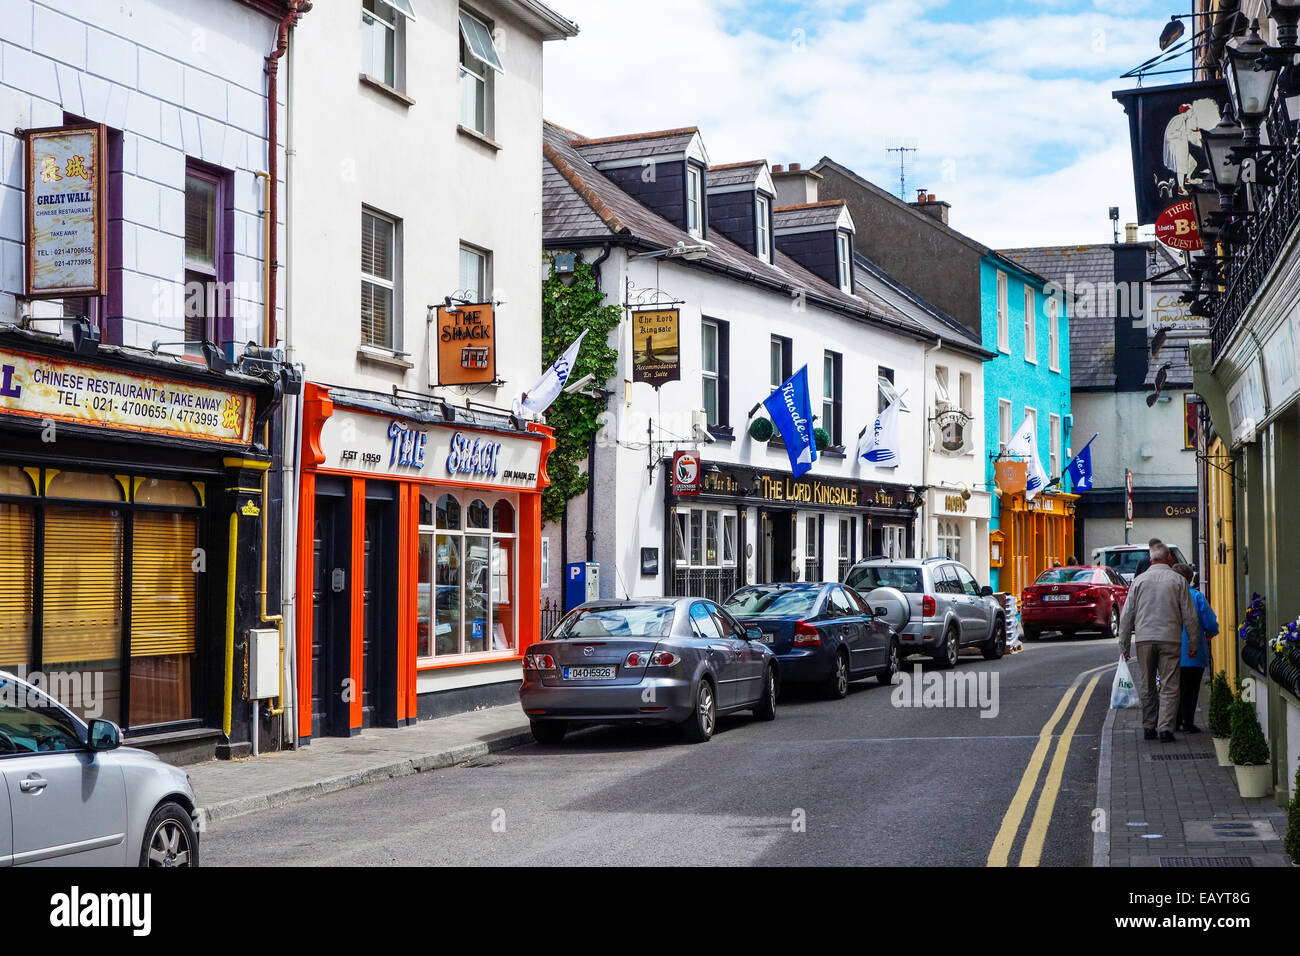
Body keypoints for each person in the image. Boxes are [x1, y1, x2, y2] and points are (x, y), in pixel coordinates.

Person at [1118, 542, 1201, 742]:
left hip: (1145, 639)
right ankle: (1165, 729)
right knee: (1170, 685)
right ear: (1169, 558)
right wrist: (1193, 643)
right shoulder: (1178, 581)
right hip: (1170, 638)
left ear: (1150, 559)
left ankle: (1148, 727)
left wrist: (1124, 645)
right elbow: (1190, 615)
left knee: (1147, 685)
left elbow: (1127, 615)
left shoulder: (1138, 581)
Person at [1172, 563, 1218, 733]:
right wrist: (1211, 632)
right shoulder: (1197, 597)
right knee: (1190, 689)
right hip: (1193, 653)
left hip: (1170, 651)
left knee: (1172, 688)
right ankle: (1188, 722)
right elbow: (1211, 623)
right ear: (1190, 579)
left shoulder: (1168, 597)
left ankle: (1173, 722)